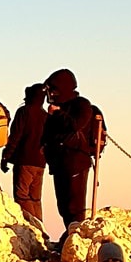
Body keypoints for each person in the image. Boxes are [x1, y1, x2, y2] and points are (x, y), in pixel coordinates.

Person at [40, 68, 106, 233]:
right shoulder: (59, 107)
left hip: (76, 160)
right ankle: (70, 233)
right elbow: (49, 133)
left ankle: (77, 235)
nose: (51, 94)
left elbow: (75, 125)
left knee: (74, 206)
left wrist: (58, 114)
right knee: (63, 206)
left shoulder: (82, 105)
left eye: (53, 90)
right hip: (59, 162)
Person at [5, 83, 49, 223]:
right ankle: (39, 227)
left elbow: (15, 135)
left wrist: (6, 156)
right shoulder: (46, 116)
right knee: (35, 199)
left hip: (24, 160)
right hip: (40, 162)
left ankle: (31, 226)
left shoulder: (24, 112)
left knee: (21, 196)